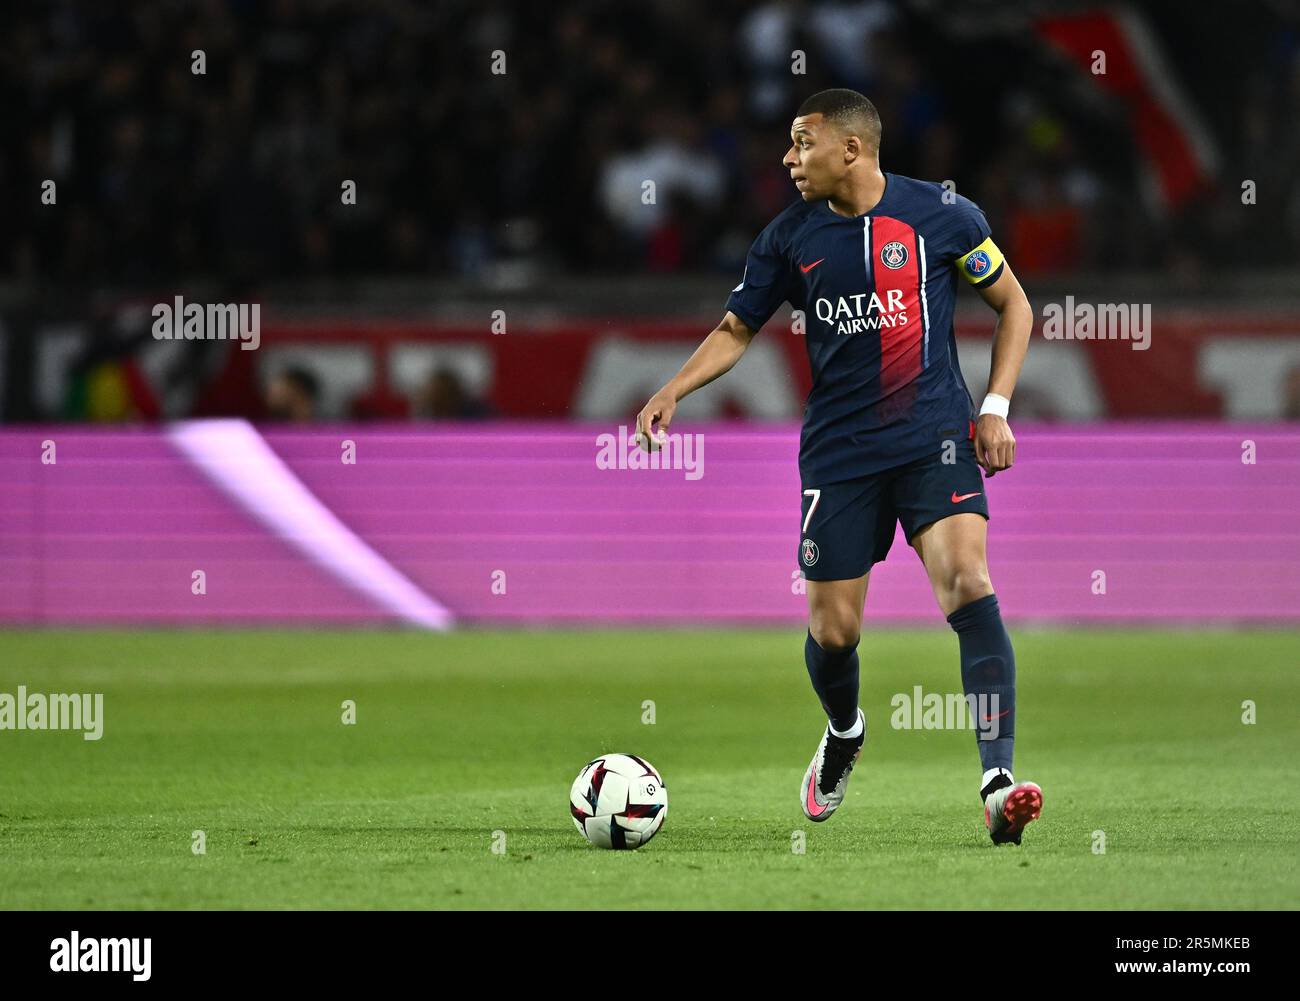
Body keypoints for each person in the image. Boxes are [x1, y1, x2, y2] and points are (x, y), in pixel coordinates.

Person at [635, 89, 1041, 845]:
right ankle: (846, 730)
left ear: (851, 148)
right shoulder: (787, 239)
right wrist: (673, 388)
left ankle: (997, 781)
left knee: (969, 581)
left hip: (933, 440)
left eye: (801, 143)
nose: (788, 160)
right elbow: (736, 328)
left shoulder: (945, 216)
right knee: (835, 629)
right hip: (841, 453)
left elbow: (1014, 303)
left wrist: (995, 406)